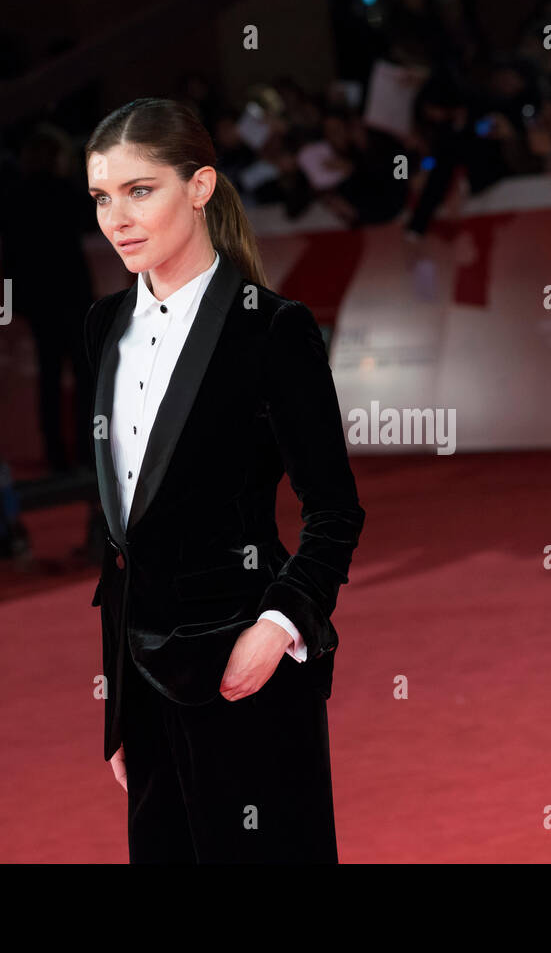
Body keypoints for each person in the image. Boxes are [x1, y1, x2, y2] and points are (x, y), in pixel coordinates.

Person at [82, 97, 365, 863]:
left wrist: (276, 631)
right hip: (141, 682)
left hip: (249, 673)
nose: (118, 218)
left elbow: (335, 510)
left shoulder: (271, 329)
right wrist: (118, 711)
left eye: (141, 190)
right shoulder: (102, 327)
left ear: (201, 185)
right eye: (103, 197)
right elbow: (124, 538)